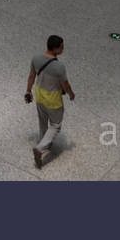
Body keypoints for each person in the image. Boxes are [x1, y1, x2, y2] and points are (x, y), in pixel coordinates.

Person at [25, 34, 75, 170]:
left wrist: (28, 91)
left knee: (42, 122)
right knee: (56, 126)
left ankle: (44, 142)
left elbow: (31, 76)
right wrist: (71, 94)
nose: (63, 48)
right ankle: (40, 148)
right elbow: (65, 85)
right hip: (53, 101)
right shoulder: (59, 67)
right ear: (56, 48)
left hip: (40, 96)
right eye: (62, 47)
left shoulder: (36, 58)